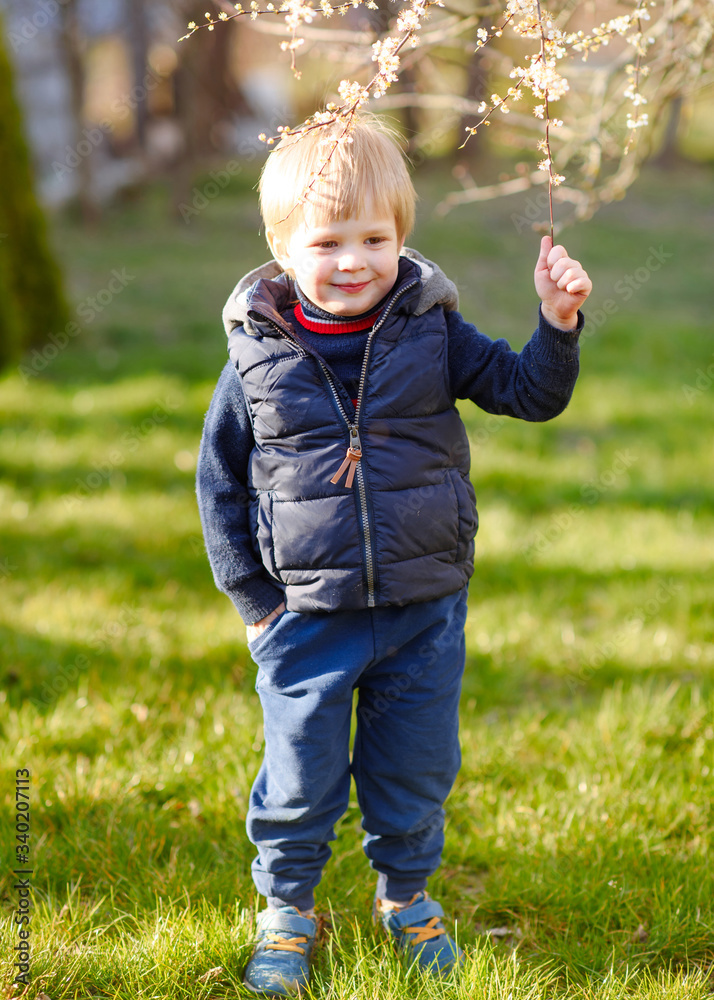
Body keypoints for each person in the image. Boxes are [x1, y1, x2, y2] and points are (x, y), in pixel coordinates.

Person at [196, 115, 592, 997]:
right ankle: (288, 910)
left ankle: (407, 898)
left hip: (423, 609)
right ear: (281, 247)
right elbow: (218, 485)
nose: (353, 262)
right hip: (305, 619)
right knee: (299, 781)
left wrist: (556, 324)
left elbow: (527, 394)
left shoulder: (429, 329)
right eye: (327, 242)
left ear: (402, 238)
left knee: (414, 770)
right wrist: (256, 604)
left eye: (375, 239)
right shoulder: (257, 358)